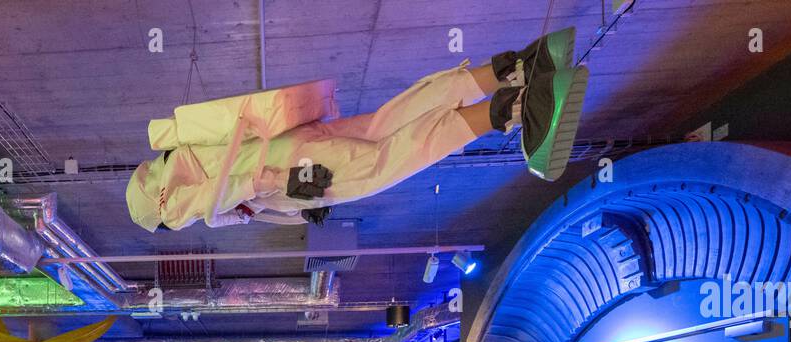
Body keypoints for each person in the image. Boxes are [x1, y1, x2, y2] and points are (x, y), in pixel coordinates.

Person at [127, 28, 588, 231]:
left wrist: (276, 190)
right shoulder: (179, 152)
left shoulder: (166, 208)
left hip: (288, 174)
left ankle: (515, 110)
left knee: (387, 162)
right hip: (290, 140)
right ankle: (516, 67)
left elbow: (215, 204)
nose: (173, 226)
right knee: (383, 124)